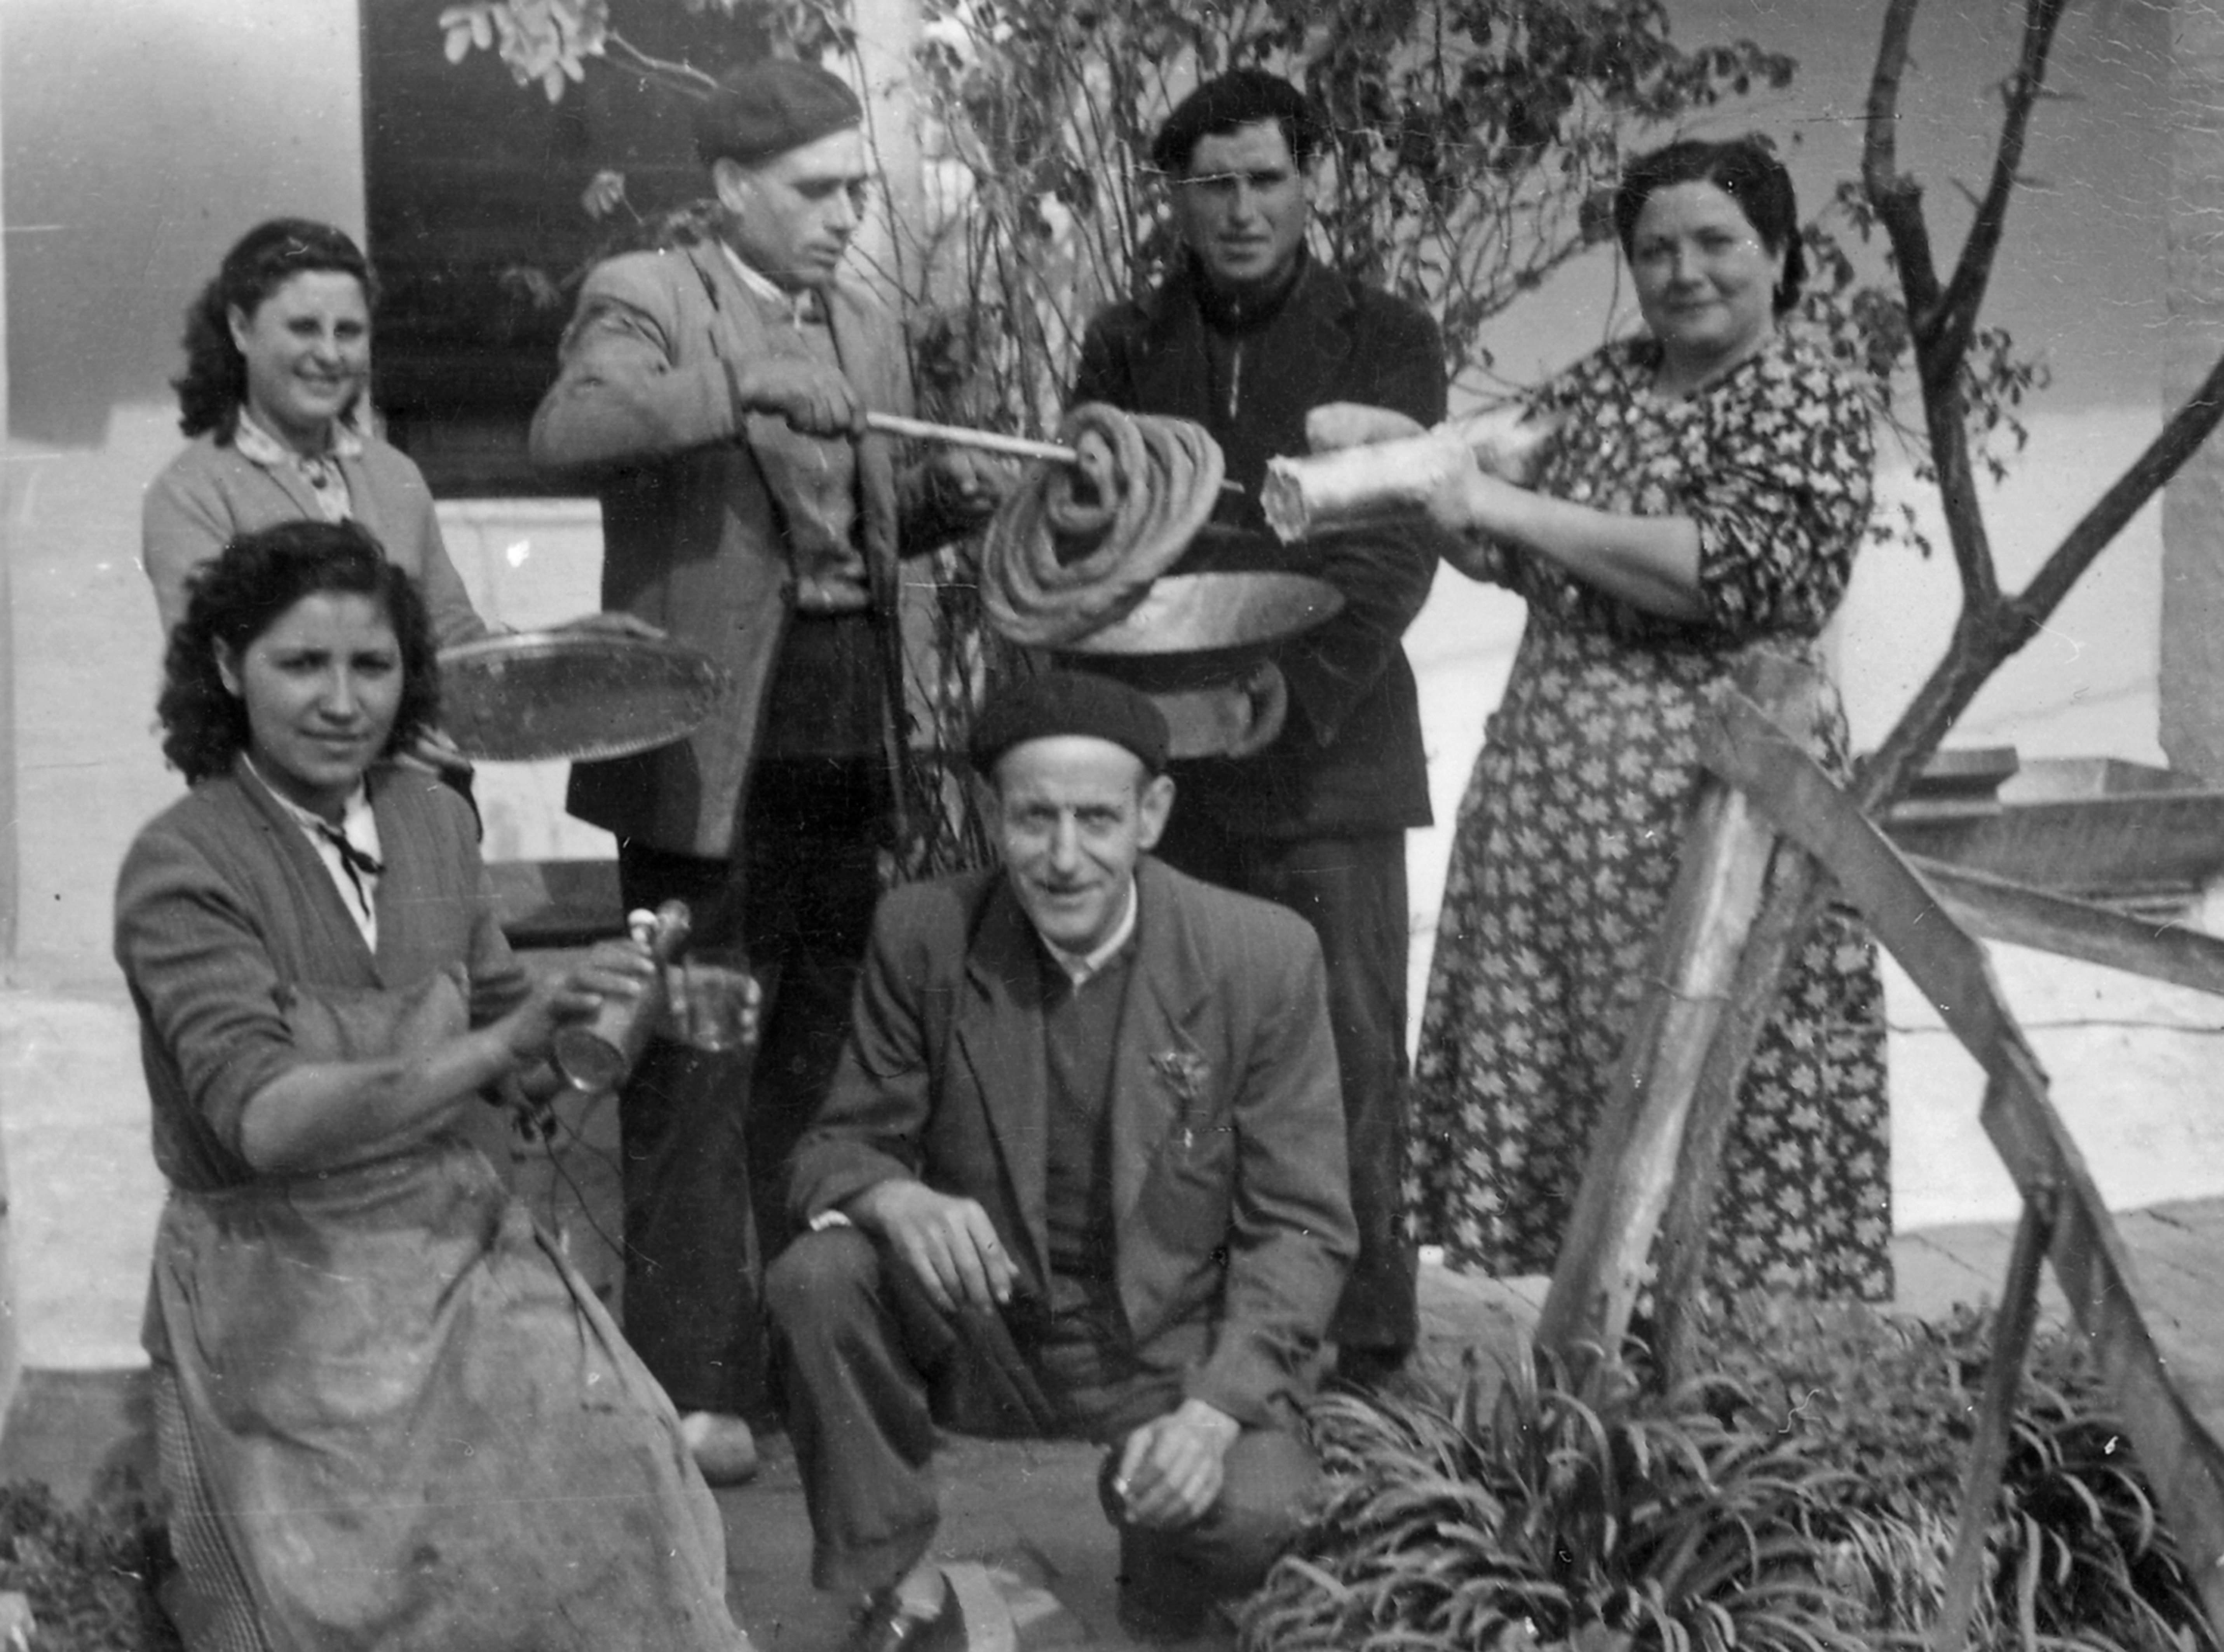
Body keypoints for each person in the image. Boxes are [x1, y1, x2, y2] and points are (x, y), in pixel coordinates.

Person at [113, 519, 754, 1651]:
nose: (341, 701)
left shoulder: (433, 822)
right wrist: (500, 1046)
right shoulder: (185, 862)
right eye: (300, 663)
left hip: (451, 1244)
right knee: (351, 1592)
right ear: (227, 666)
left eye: (372, 665)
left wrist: (627, 1012)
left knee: (621, 1480)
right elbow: (266, 1120)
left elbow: (524, 1078)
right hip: (277, 1283)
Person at [528, 59, 1010, 1481]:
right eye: (817, 190)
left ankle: (808, 1362)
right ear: (733, 187)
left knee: (818, 1060)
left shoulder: (857, 318)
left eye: (856, 188)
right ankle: (691, 1384)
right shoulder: (648, 293)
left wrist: (946, 499)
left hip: (843, 737)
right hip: (702, 763)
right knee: (695, 1063)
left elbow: (857, 526)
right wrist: (740, 379)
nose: (847, 216)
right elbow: (569, 431)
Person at [1393, 136, 1892, 1298]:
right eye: (1656, 250)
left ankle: (1722, 1369)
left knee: (1719, 1071)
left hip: (1711, 811)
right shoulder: (1605, 384)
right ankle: (1600, 1357)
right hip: (1558, 811)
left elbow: (1721, 571)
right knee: (1583, 1080)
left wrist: (1502, 504)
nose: (1684, 272)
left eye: (1717, 242)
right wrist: (1438, 497)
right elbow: (1509, 547)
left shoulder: (1806, 395)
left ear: (1779, 254)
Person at [765, 671, 1356, 1652]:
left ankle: (1164, 1560)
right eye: (1036, 818)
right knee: (817, 1277)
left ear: (1152, 814)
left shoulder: (1261, 955)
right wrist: (896, 1198)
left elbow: (1303, 1226)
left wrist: (1213, 1413)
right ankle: (903, 1590)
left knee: (1263, 1512)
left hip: (1166, 1347)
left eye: (1098, 818)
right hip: (988, 1332)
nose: (1066, 856)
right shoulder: (927, 932)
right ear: (996, 814)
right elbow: (833, 1147)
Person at [1068, 68, 1446, 1384]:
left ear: (1312, 181)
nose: (1240, 211)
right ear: (1174, 198)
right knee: (1180, 1046)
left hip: (1330, 753)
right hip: (1173, 749)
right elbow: (1096, 534)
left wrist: (1293, 689)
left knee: (1346, 1048)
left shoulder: (1384, 337)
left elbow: (1397, 543)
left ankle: (1366, 1347)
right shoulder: (1124, 342)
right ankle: (1201, 1331)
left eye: (1267, 180)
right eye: (1212, 185)